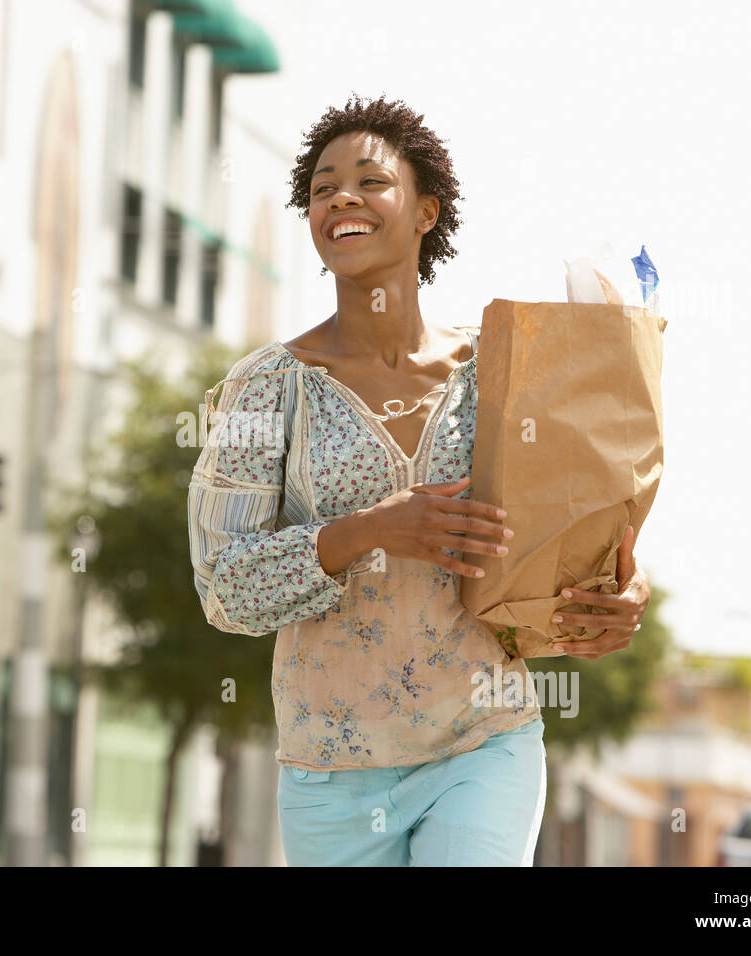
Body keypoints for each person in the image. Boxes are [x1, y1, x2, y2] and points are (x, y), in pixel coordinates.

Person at [187, 94, 651, 866]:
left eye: (370, 181)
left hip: (485, 742)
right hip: (331, 768)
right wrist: (367, 531)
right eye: (322, 188)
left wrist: (617, 596)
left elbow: (571, 524)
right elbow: (224, 589)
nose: (341, 197)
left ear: (427, 211)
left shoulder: (504, 368)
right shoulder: (264, 387)